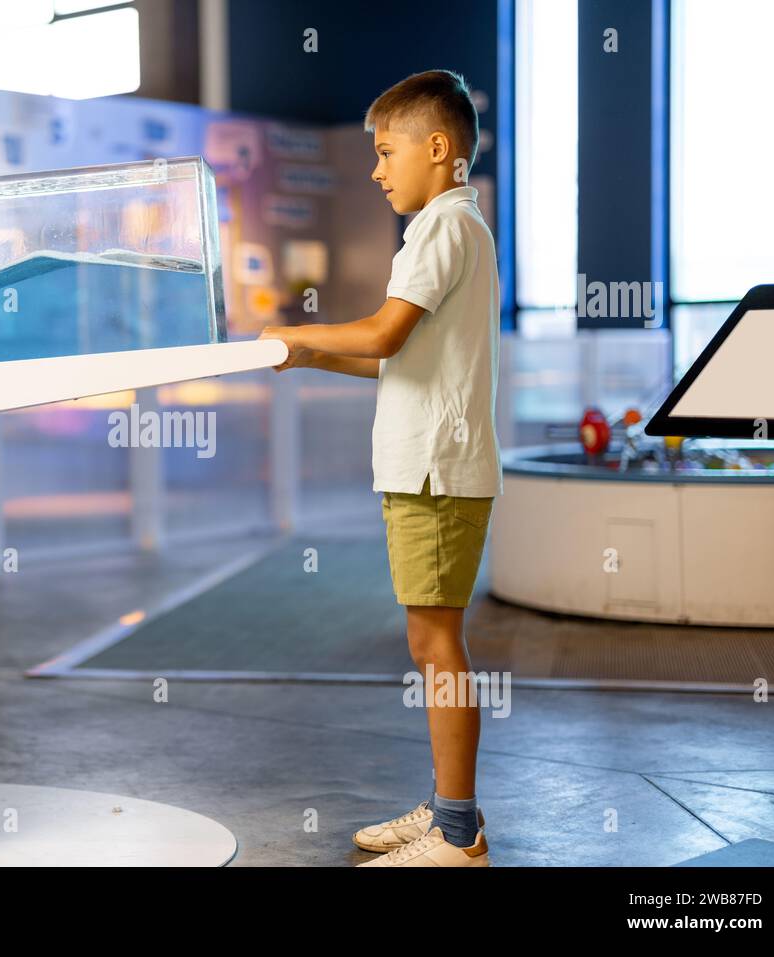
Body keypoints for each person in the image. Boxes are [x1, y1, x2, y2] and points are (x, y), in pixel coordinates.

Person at [259, 69, 501, 868]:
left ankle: (459, 833)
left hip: (436, 471)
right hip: (427, 468)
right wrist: (310, 355)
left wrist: (305, 335)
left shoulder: (441, 227)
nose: (376, 168)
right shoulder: (453, 225)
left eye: (386, 150)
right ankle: (445, 806)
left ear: (438, 149)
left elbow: (387, 333)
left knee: (438, 647)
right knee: (429, 641)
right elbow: (398, 359)